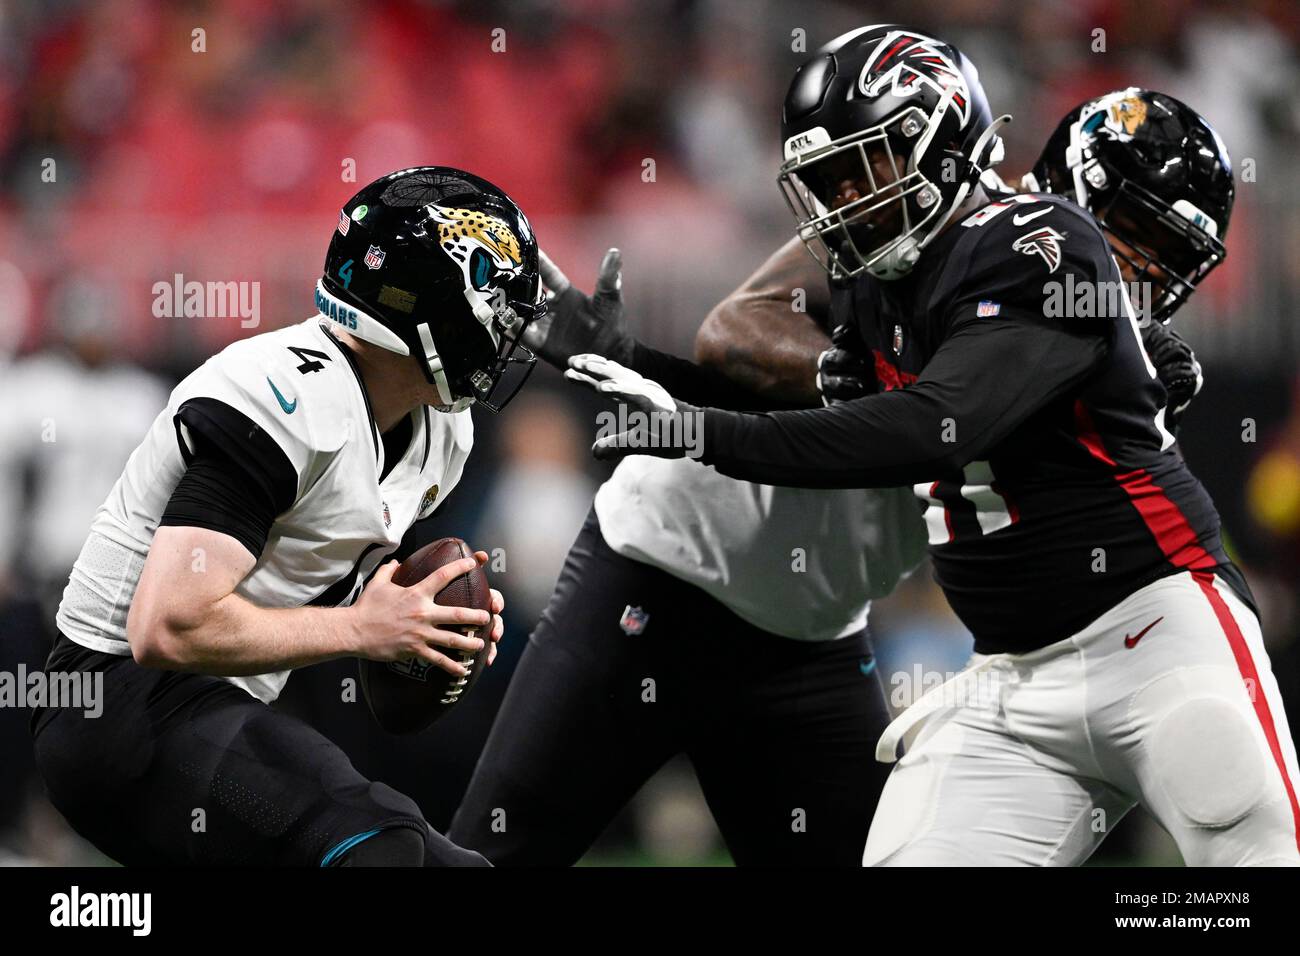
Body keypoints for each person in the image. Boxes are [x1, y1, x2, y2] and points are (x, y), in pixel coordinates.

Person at [562, 27, 1299, 865]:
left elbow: (938, 424)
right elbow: (754, 338)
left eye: (1169, 258)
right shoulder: (913, 238)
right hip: (1014, 675)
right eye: (1134, 227)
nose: (1143, 269)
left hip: (1154, 635)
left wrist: (701, 431)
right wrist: (655, 382)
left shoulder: (1047, 267)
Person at [30, 166, 543, 866]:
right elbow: (168, 626)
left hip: (219, 706)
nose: (509, 333)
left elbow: (358, 612)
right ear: (427, 308)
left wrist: (427, 623)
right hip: (121, 708)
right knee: (377, 847)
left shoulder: (442, 432)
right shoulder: (280, 399)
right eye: (500, 309)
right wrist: (366, 628)